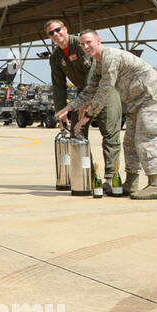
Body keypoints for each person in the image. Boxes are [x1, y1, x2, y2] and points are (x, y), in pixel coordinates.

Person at [56, 31, 157, 200]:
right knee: (129, 142)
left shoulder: (110, 57)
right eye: (82, 44)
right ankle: (131, 182)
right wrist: (70, 107)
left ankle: (155, 184)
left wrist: (87, 116)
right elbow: (90, 89)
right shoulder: (99, 63)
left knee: (145, 139)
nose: (86, 47)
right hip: (135, 103)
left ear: (98, 41)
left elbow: (105, 89)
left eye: (89, 42)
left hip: (151, 97)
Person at [45, 19, 122, 191]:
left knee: (110, 135)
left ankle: (111, 177)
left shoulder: (81, 44)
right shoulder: (56, 58)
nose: (56, 35)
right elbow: (58, 87)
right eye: (51, 33)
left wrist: (87, 103)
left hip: (106, 92)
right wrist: (61, 113)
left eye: (58, 30)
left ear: (65, 29)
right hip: (83, 94)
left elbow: (94, 72)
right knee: (77, 134)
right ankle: (88, 175)